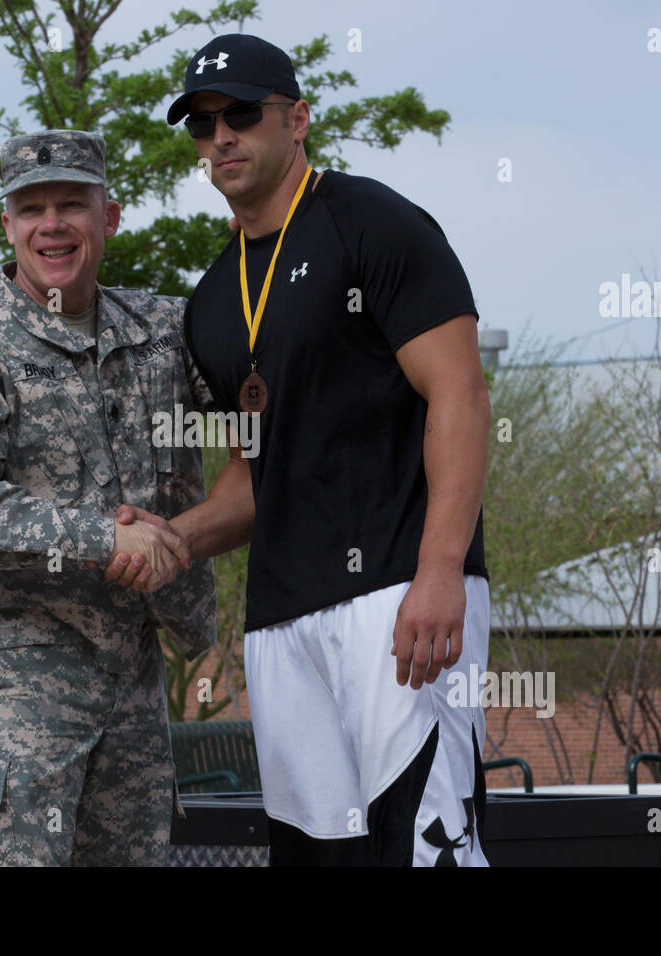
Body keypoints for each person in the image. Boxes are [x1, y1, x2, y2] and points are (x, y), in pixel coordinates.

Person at [123, 33, 492, 866]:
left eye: (241, 114)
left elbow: (461, 396)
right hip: (282, 618)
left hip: (400, 592)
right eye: (201, 121)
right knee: (320, 855)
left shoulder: (374, 222)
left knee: (427, 849)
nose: (220, 136)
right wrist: (175, 535)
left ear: (297, 119)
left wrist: (441, 569)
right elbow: (255, 476)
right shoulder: (215, 300)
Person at [0, 129, 217, 866]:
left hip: (129, 689)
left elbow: (267, 379)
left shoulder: (162, 333)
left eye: (72, 204)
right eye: (31, 208)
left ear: (111, 217)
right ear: (7, 225)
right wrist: (106, 540)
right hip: (8, 698)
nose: (52, 224)